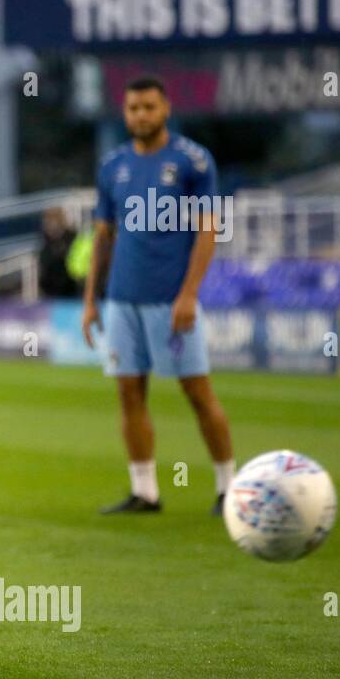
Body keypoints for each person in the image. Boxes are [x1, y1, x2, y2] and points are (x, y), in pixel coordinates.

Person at [81, 75, 234, 516]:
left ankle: (229, 489)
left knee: (197, 391)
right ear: (124, 112)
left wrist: (189, 294)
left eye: (149, 107)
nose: (140, 115)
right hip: (122, 300)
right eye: (132, 108)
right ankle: (144, 491)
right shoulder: (112, 166)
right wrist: (92, 299)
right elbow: (103, 237)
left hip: (170, 299)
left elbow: (208, 230)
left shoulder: (193, 161)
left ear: (166, 109)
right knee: (129, 392)